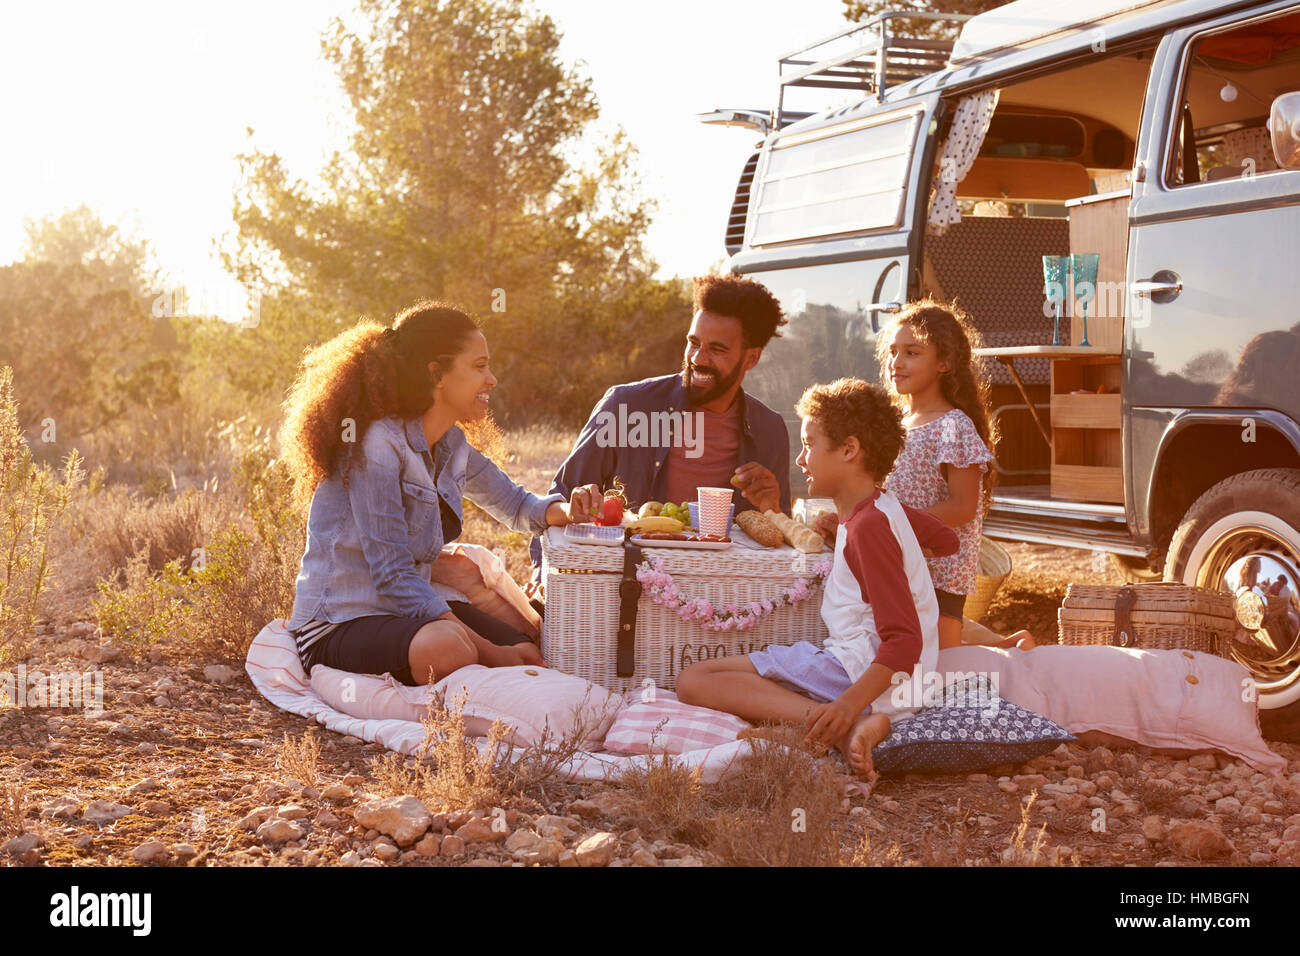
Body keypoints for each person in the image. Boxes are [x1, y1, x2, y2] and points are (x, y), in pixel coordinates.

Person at [282, 301, 602, 686]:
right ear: (436, 373)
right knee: (450, 649)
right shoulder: (377, 446)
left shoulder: (451, 444)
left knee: (526, 644)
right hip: (339, 621)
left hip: (400, 614)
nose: (492, 380)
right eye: (479, 366)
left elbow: (517, 505)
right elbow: (392, 574)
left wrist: (572, 509)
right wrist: (494, 654)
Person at [676, 378, 959, 781]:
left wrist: (844, 706)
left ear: (848, 449)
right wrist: (859, 536)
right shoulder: (880, 509)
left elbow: (904, 641)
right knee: (730, 681)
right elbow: (946, 540)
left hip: (860, 672)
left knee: (694, 680)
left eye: (809, 444)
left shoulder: (868, 528)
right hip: (900, 685)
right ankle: (839, 720)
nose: (800, 459)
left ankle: (838, 726)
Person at [527, 273, 793, 590]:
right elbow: (558, 499)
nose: (697, 358)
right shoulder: (626, 406)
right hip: (628, 586)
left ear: (751, 358)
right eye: (693, 343)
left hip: (722, 592)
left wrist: (772, 508)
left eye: (717, 350)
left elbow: (779, 540)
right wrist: (542, 579)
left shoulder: (770, 429)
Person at [876, 299, 1034, 650]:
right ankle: (1008, 645)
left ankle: (1013, 651)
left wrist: (894, 523)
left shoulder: (952, 426)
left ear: (945, 363)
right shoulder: (895, 425)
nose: (896, 363)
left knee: (943, 663)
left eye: (912, 352)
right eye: (892, 351)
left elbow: (963, 506)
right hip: (899, 561)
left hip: (940, 570)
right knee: (910, 651)